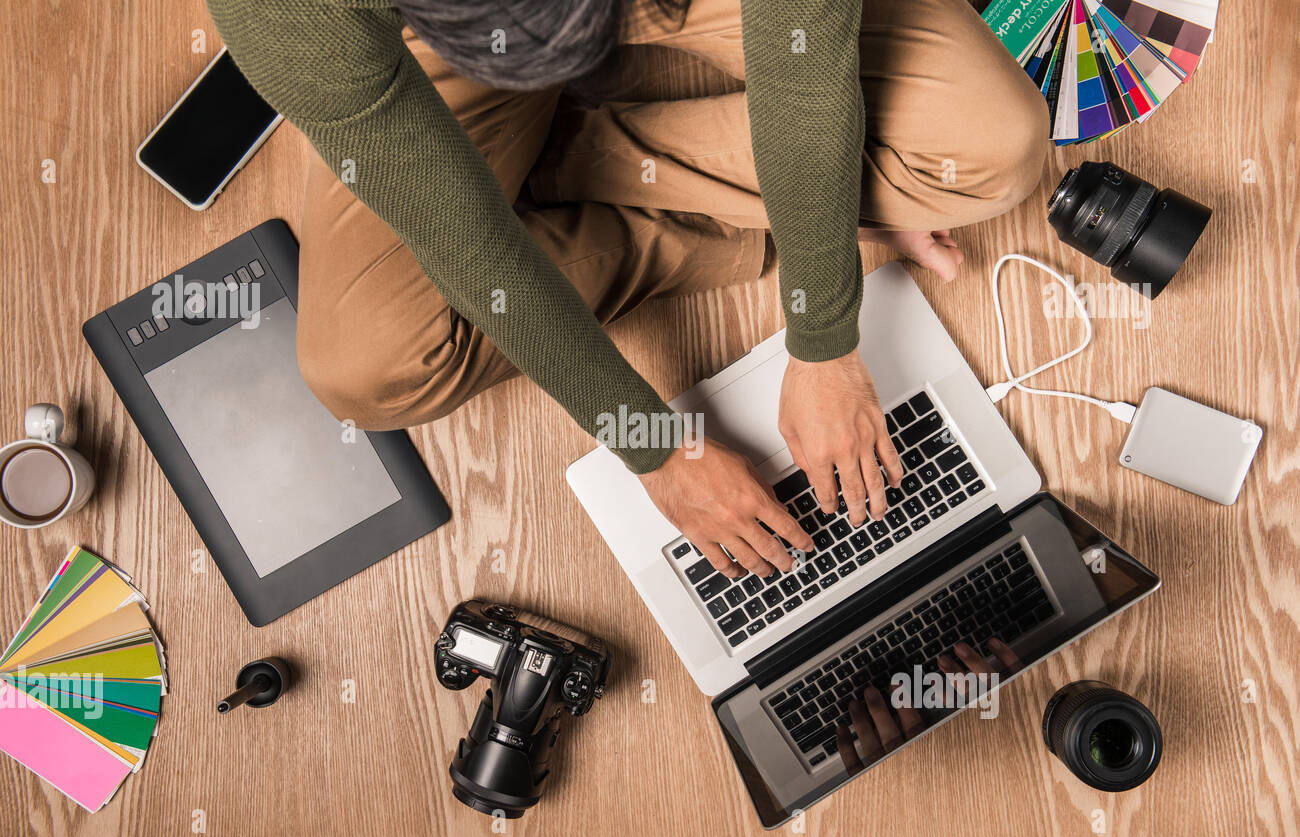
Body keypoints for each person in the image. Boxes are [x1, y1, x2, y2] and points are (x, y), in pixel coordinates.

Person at [207, 0, 1048, 581]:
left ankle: (595, 164)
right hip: (433, 61)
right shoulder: (285, 14)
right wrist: (652, 445)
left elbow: (802, 76)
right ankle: (767, 191)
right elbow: (467, 248)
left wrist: (823, 332)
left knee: (995, 151)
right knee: (366, 369)